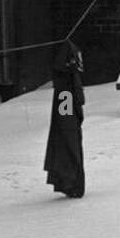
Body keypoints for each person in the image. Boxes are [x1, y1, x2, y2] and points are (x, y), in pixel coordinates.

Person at [44, 39, 86, 198]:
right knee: (69, 146)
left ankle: (71, 180)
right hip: (68, 125)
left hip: (69, 121)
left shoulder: (67, 81)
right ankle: (70, 181)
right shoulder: (65, 87)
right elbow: (66, 115)